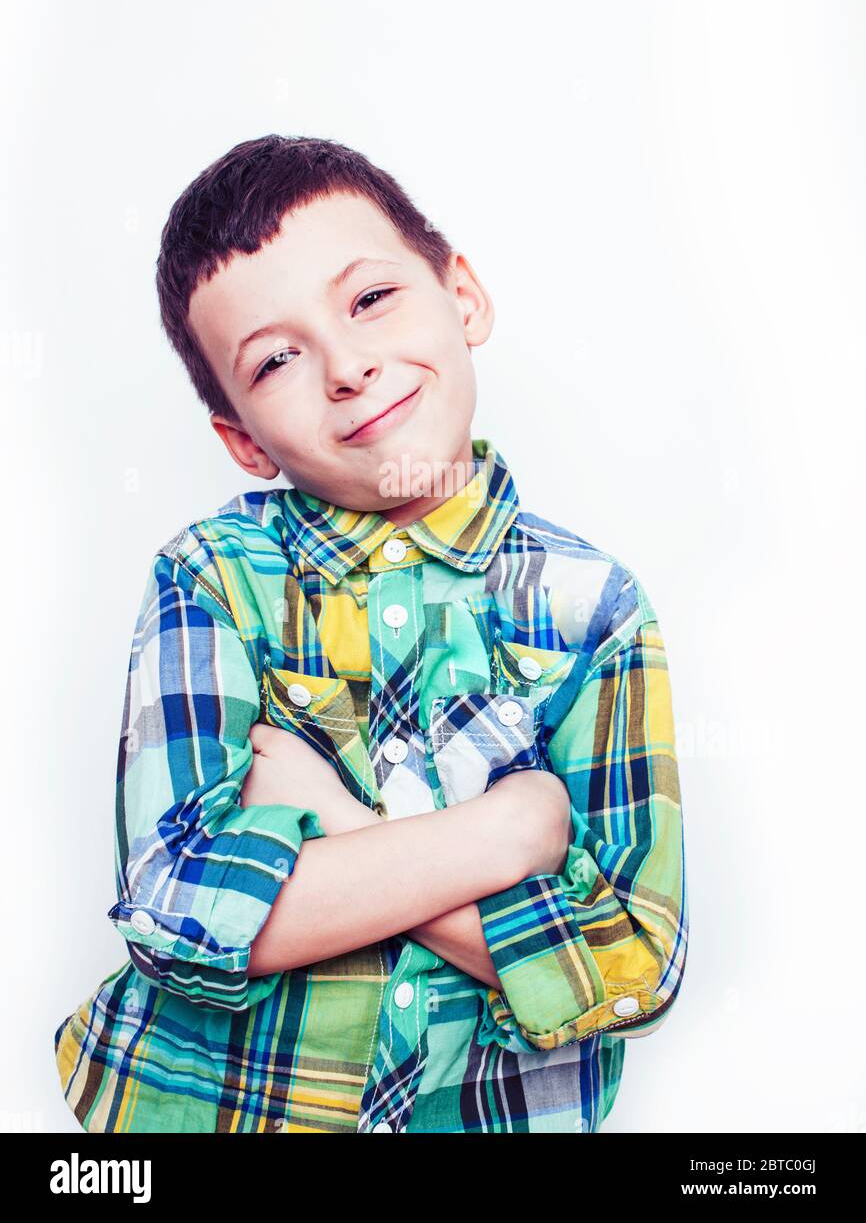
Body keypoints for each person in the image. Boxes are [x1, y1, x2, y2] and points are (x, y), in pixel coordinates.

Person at [53, 134, 688, 1133]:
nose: (346, 366)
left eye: (370, 299)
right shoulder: (213, 577)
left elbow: (628, 968)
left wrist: (339, 832)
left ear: (462, 295)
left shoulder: (591, 606)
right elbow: (177, 917)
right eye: (275, 359)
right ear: (242, 440)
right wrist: (505, 834)